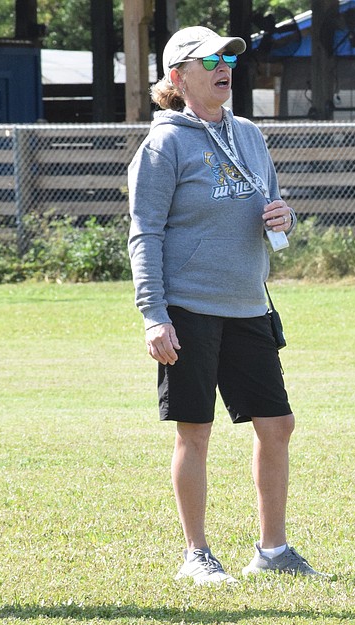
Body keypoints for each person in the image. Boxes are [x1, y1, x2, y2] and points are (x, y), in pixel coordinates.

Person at [127, 26, 324, 585]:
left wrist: (283, 222)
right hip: (187, 309)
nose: (224, 66)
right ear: (176, 76)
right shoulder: (164, 145)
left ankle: (273, 549)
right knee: (195, 430)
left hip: (248, 305)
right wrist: (153, 314)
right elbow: (145, 234)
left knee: (277, 424)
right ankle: (197, 554)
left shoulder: (251, 136)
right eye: (208, 58)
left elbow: (269, 209)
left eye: (228, 57)